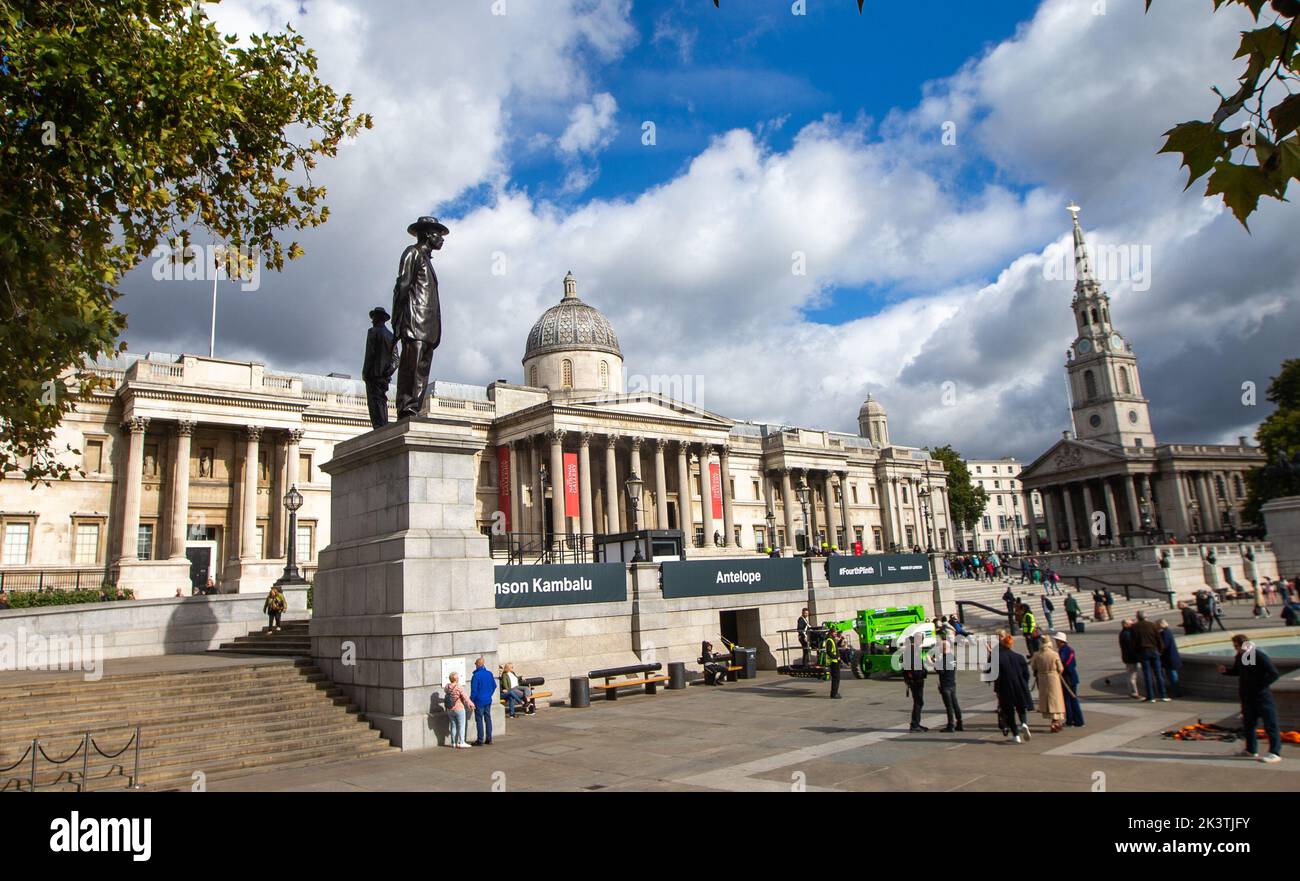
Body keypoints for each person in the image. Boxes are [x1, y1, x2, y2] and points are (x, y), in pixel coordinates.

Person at [1219, 635, 1283, 763]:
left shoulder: (1258, 655)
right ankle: (1251, 750)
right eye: (1234, 646)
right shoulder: (1240, 656)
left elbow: (1274, 674)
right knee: (1249, 724)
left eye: (1236, 646)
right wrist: (1225, 671)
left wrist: (1260, 686)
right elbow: (1238, 671)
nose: (1235, 649)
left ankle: (1275, 752)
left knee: (1270, 724)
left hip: (1262, 696)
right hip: (1247, 696)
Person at [361, 305, 398, 429]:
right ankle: (384, 424)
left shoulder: (373, 332)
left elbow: (370, 354)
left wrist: (365, 373)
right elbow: (396, 359)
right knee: (382, 399)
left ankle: (378, 425)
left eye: (373, 318)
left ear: (377, 319)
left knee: (374, 401)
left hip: (373, 374)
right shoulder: (391, 335)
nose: (372, 321)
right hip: (384, 376)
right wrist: (388, 371)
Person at [993, 632, 1033, 742]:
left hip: (1006, 687)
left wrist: (997, 689)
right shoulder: (1019, 657)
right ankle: (1024, 723)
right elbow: (1026, 674)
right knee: (1021, 707)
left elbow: (996, 675)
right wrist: (1024, 683)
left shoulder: (999, 658)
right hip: (1020, 685)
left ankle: (1016, 735)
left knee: (1009, 711)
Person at [1132, 611, 1169, 703]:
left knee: (1147, 674)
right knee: (1158, 673)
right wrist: (1160, 650)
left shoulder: (1135, 627)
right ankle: (1163, 695)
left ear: (1138, 617)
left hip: (1143, 652)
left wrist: (1137, 653)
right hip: (1154, 650)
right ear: (1146, 617)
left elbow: (1133, 642)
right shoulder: (1152, 625)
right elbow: (1158, 639)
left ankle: (1151, 696)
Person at [1031, 637, 1066, 733]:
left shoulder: (1037, 655)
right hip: (1053, 678)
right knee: (1055, 700)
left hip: (1042, 679)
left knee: (1047, 700)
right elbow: (1060, 668)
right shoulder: (1054, 654)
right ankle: (1055, 722)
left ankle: (1055, 722)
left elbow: (1033, 666)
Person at [1054, 632, 1084, 728]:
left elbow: (1061, 662)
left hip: (1067, 678)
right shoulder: (1070, 649)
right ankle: (1078, 720)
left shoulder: (1062, 651)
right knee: (1073, 698)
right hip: (1073, 676)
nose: (1055, 643)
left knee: (1068, 699)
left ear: (1060, 641)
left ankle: (1071, 720)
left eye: (1056, 641)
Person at [935, 629, 963, 732]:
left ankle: (951, 725)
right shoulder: (952, 657)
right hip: (952, 683)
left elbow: (940, 671)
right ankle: (960, 723)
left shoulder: (943, 659)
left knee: (949, 706)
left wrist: (935, 662)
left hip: (945, 685)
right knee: (955, 704)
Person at [901, 634, 927, 731]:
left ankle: (916, 724)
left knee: (919, 702)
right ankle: (914, 724)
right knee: (918, 702)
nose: (922, 642)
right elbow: (913, 668)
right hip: (916, 681)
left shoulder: (912, 649)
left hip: (915, 680)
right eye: (921, 640)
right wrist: (922, 673)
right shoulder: (912, 651)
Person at [469, 657, 496, 746]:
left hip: (479, 700)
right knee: (488, 718)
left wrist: (471, 701)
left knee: (479, 720)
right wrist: (489, 695)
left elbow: (474, 691)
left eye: (475, 663)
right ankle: (489, 738)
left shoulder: (476, 676)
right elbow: (494, 686)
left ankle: (480, 739)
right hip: (487, 699)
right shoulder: (489, 674)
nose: (475, 665)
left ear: (478, 664)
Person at [444, 671, 474, 749]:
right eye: (457, 677)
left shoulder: (447, 686)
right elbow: (465, 697)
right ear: (456, 679)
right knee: (461, 726)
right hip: (459, 708)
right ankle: (462, 742)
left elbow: (446, 692)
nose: (458, 678)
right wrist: (471, 704)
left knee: (453, 725)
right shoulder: (459, 687)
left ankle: (453, 743)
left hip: (450, 709)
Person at [1158, 619, 1183, 698]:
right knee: (1173, 675)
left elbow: (1164, 646)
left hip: (1169, 658)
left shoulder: (1164, 633)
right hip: (1171, 658)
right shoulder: (1167, 632)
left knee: (1172, 676)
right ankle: (1176, 691)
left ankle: (1177, 692)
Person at [1118, 620, 1141, 699]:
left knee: (1130, 675)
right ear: (1126, 625)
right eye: (1131, 624)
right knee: (1132, 676)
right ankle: (1134, 692)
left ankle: (1132, 692)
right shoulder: (1127, 634)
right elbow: (1131, 647)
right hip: (1130, 657)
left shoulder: (1124, 633)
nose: (1133, 625)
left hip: (1127, 657)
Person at [823, 627, 842, 699]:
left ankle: (834, 693)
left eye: (836, 632)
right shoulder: (829, 640)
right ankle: (834, 694)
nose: (836, 633)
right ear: (831, 633)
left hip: (835, 661)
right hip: (833, 662)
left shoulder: (832, 639)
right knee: (836, 678)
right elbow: (829, 652)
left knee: (836, 678)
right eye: (834, 632)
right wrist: (836, 657)